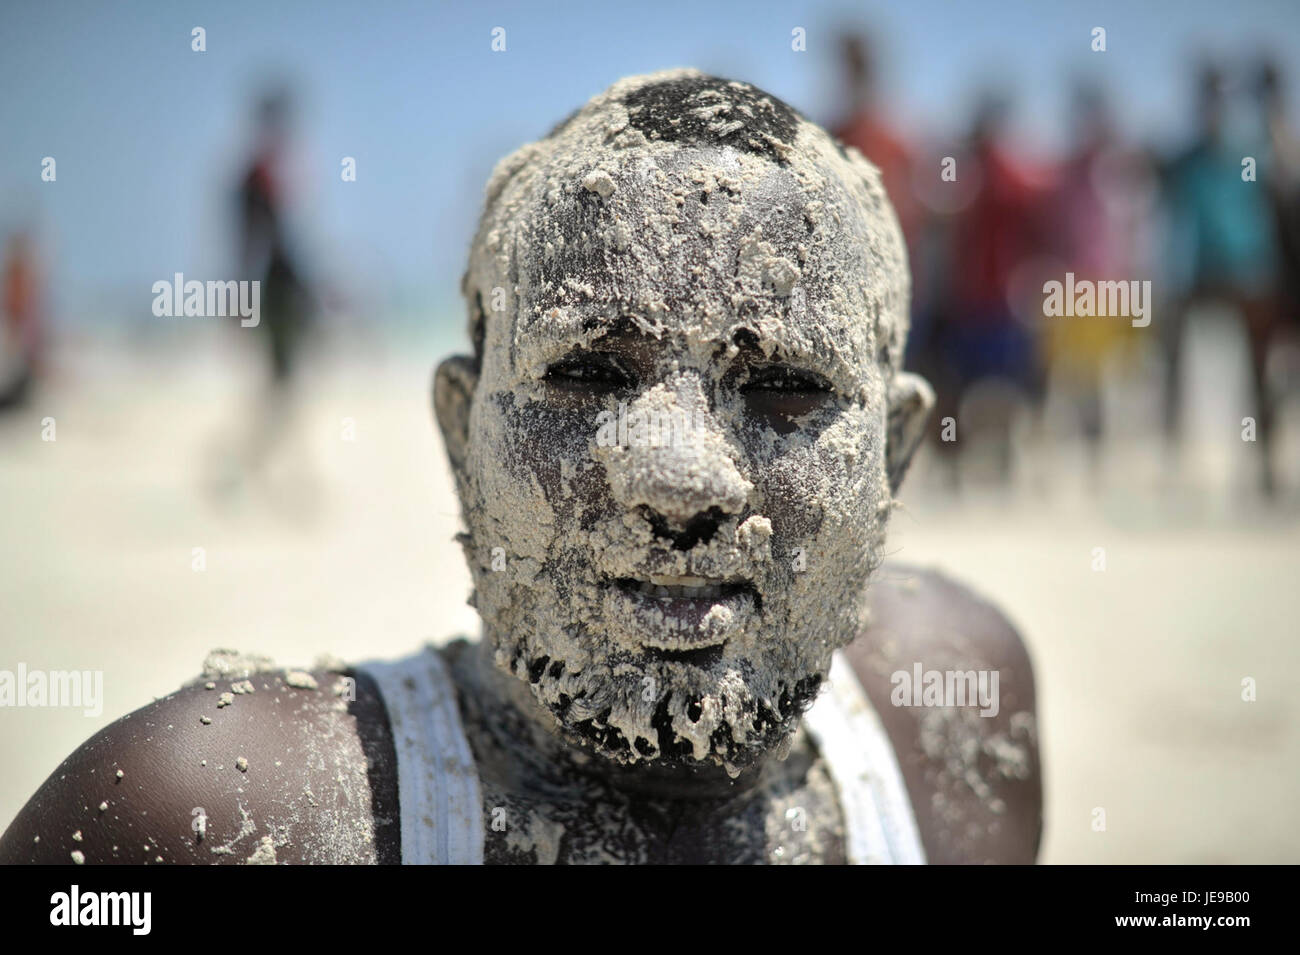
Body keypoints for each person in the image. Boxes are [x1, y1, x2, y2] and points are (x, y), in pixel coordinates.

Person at [0, 71, 1041, 865]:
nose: (677, 478)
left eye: (783, 391)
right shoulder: (206, 816)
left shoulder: (950, 723)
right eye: (586, 372)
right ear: (461, 437)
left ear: (893, 458)